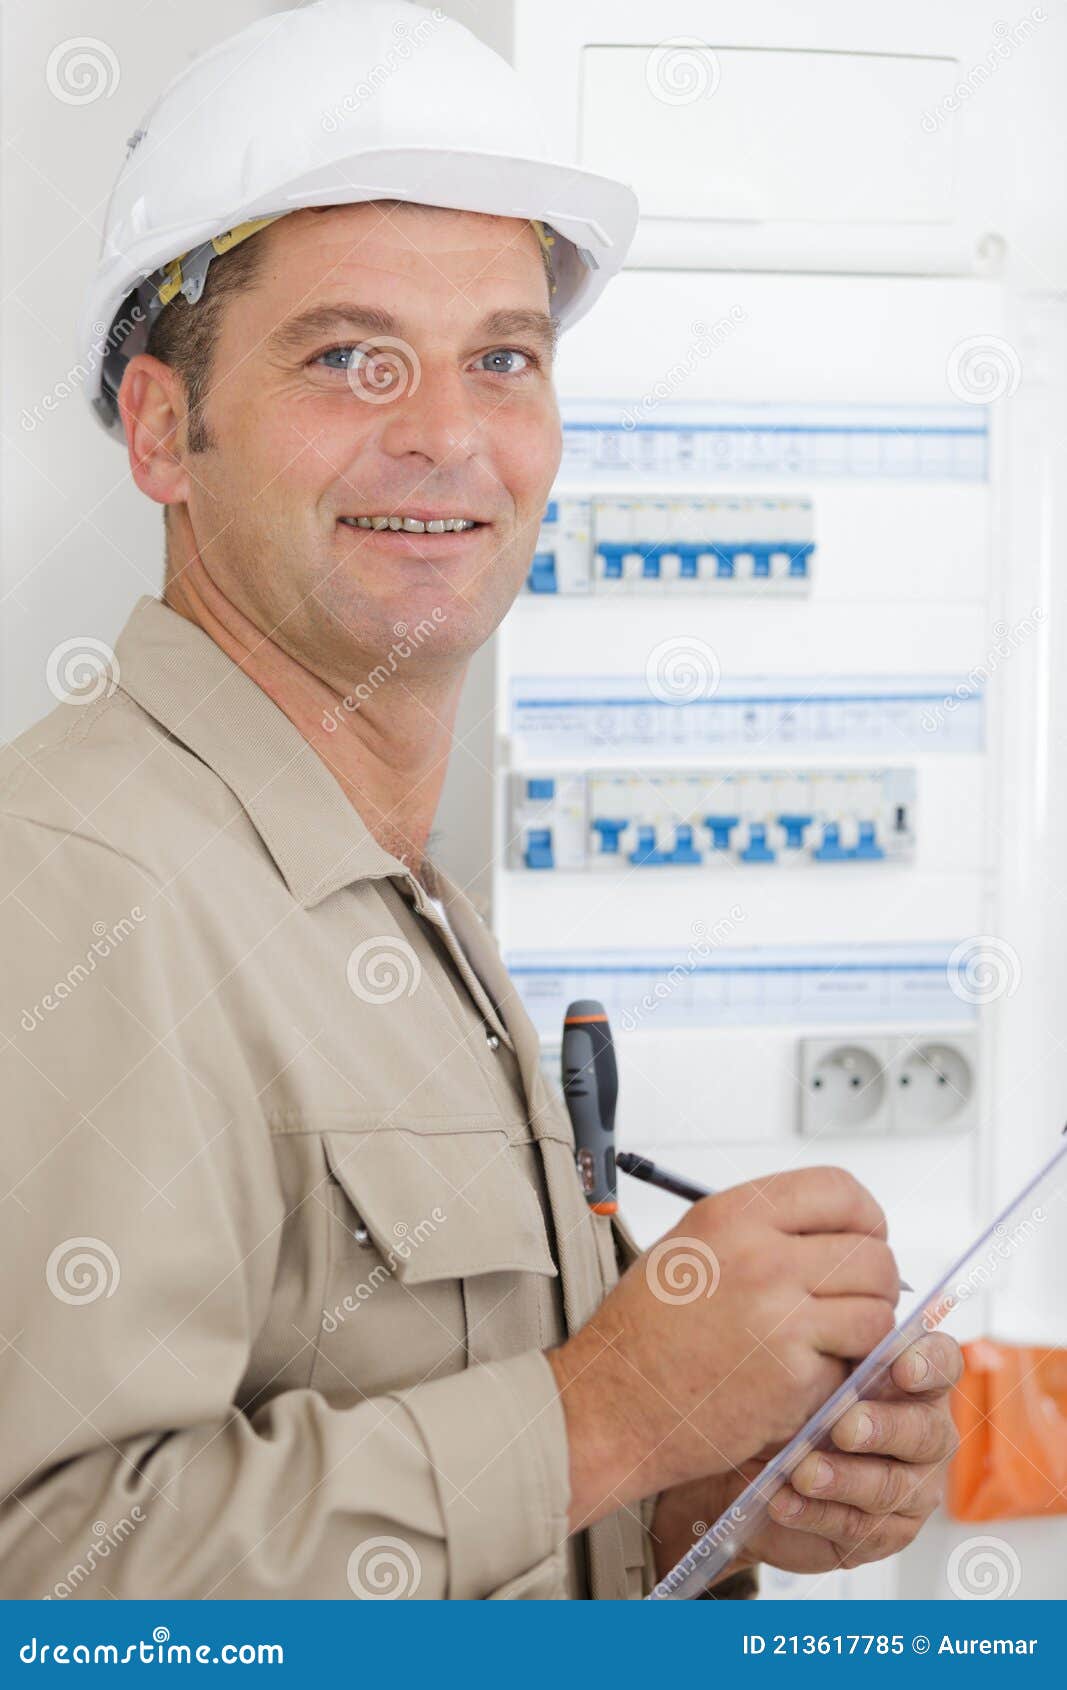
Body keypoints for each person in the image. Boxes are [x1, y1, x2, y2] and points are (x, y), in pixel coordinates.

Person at [0, 0, 959, 1600]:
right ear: (166, 429)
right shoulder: (76, 887)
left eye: (501, 359)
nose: (447, 434)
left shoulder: (382, 894)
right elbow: (49, 1587)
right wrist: (610, 1414)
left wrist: (692, 1477)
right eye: (350, 357)